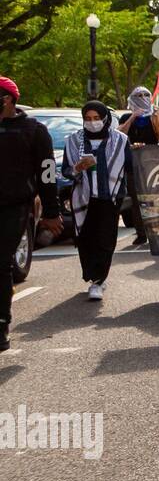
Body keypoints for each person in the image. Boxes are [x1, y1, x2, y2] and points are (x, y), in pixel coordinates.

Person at [0, 76, 63, 350]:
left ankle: (2, 323)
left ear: (10, 99)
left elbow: (47, 173)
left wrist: (51, 211)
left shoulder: (34, 130)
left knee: (1, 262)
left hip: (15, 206)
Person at [62, 101, 131, 300]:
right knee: (86, 238)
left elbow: (129, 166)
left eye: (96, 118)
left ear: (105, 118)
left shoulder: (120, 140)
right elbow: (66, 169)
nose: (92, 123)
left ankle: (98, 281)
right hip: (84, 197)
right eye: (88, 119)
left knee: (105, 239)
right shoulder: (74, 141)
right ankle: (92, 274)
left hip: (110, 197)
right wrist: (77, 168)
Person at [119, 86, 159, 245]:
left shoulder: (157, 116)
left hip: (154, 163)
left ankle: (158, 231)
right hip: (134, 165)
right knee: (136, 200)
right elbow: (119, 135)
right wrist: (133, 117)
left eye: (146, 94)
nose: (142, 97)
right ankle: (141, 233)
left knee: (156, 198)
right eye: (138, 95)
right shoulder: (127, 117)